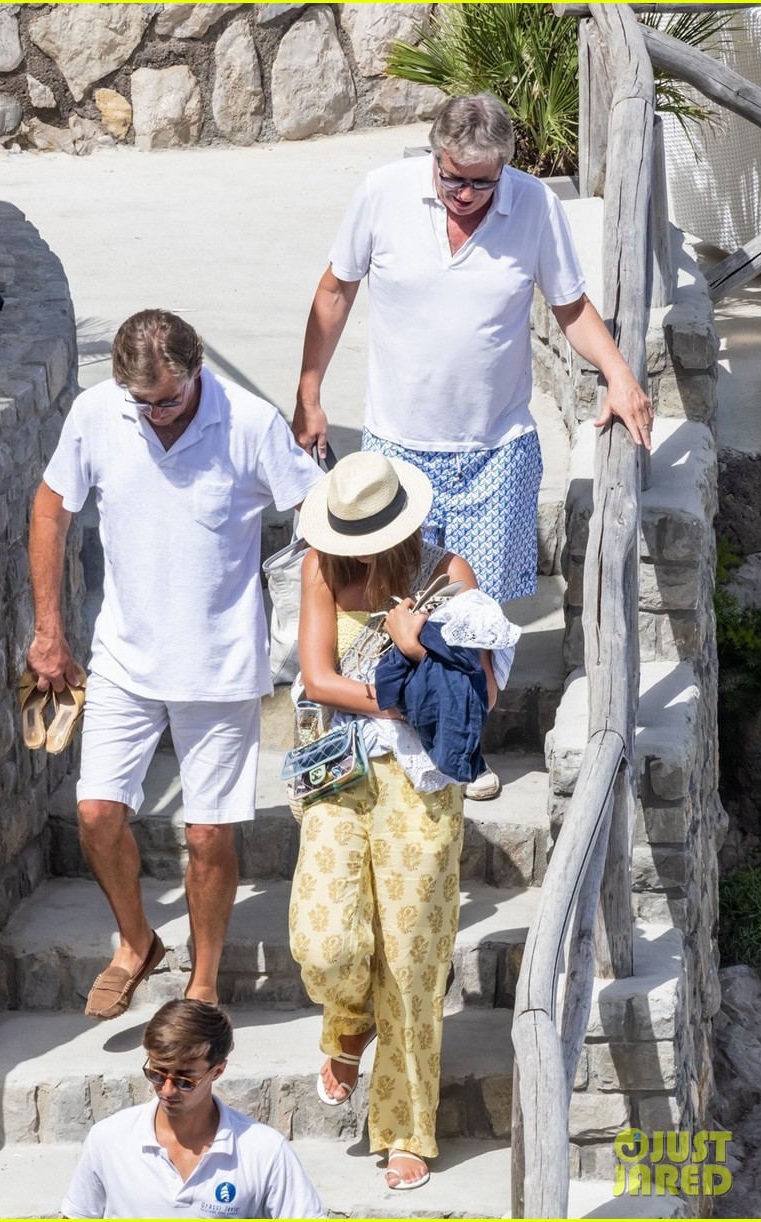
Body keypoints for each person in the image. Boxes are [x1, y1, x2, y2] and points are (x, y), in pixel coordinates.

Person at [293, 92, 654, 798]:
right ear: (434, 156)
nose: (465, 194)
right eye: (452, 176)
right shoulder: (383, 194)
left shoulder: (534, 208)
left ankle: (462, 746)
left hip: (495, 450)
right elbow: (335, 292)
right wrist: (309, 392)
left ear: (505, 169)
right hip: (399, 446)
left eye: (481, 182)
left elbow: (570, 304)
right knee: (395, 606)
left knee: (473, 618)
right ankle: (399, 732)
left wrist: (619, 375)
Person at [27, 309, 322, 1019]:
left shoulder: (249, 423)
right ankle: (136, 942)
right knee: (96, 814)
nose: (155, 413)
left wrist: (315, 641)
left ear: (197, 372)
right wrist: (48, 629)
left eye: (168, 398)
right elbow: (50, 508)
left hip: (220, 667)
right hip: (124, 657)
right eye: (143, 401)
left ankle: (204, 981)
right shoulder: (100, 412)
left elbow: (319, 519)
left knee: (207, 834)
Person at [288, 451, 498, 1191]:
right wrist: (404, 695)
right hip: (341, 771)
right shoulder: (321, 567)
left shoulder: (450, 577)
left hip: (423, 788)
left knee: (411, 962)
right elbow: (317, 676)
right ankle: (348, 1017)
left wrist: (415, 651)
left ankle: (407, 1126)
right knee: (325, 937)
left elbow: (485, 695)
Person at [61, 998, 325, 1218]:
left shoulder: (265, 1150)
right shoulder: (108, 1139)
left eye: (184, 1080)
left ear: (218, 1070)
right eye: (156, 1074)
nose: (167, 1090)